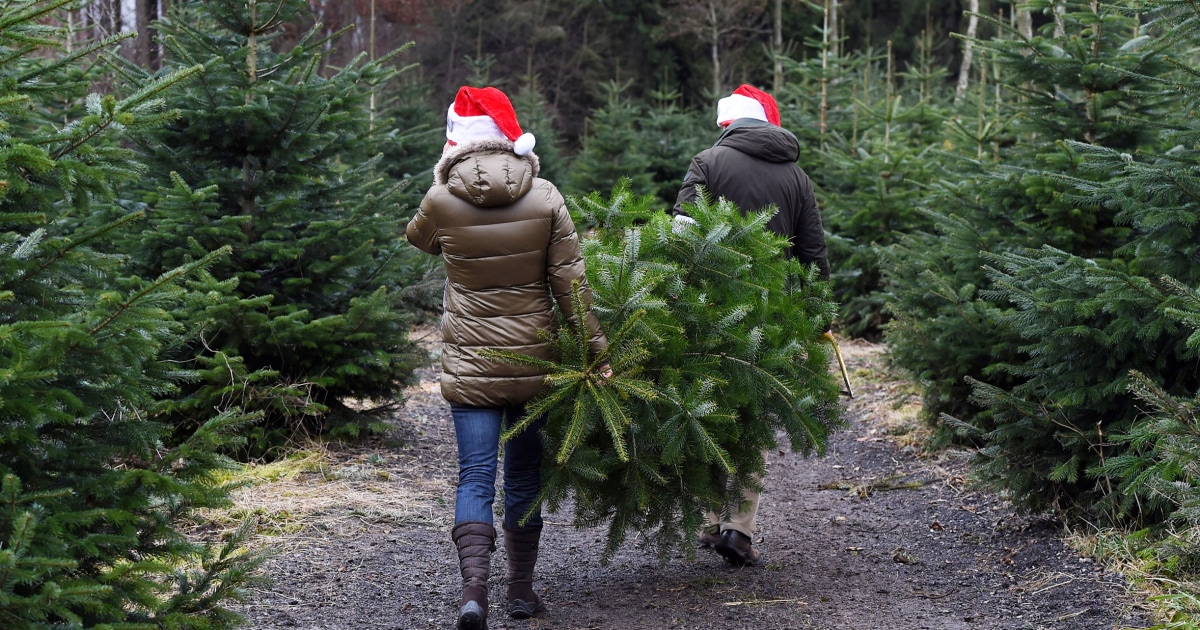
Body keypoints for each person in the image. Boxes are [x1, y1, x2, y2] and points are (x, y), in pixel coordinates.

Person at [406, 86, 609, 630]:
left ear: (458, 141)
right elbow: (571, 283)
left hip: (471, 365)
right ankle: (521, 591)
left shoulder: (442, 200)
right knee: (523, 477)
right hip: (533, 365)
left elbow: (418, 240)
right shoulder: (545, 196)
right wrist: (597, 350)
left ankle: (474, 593)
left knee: (474, 477)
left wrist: (439, 183)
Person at [673, 83, 830, 568]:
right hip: (773, 314)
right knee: (753, 418)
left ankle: (704, 519)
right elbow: (813, 254)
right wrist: (818, 316)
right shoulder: (798, 176)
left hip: (711, 309)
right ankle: (738, 531)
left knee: (704, 407)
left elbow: (682, 229)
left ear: (729, 125)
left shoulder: (708, 162)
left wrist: (673, 296)